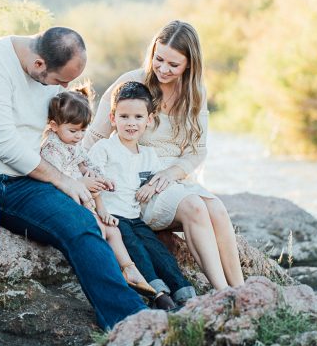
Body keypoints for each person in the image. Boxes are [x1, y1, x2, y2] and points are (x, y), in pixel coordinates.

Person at [0, 27, 147, 346]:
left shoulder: (49, 73)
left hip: (19, 183)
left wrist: (84, 175)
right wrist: (62, 180)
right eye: (60, 82)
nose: (64, 90)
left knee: (78, 221)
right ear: (39, 63)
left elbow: (68, 130)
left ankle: (129, 321)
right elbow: (2, 143)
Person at [84, 21, 245, 291]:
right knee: (195, 206)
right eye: (158, 59)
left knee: (216, 207)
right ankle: (222, 292)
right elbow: (95, 137)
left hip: (174, 180)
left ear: (189, 65)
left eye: (173, 64)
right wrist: (75, 177)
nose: (163, 69)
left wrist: (171, 173)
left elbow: (197, 150)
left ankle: (240, 288)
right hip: (138, 186)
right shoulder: (131, 83)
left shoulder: (195, 93)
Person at [39, 86, 170, 306]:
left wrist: (99, 179)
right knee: (100, 231)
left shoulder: (74, 144)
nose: (79, 137)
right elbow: (56, 181)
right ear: (53, 126)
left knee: (114, 231)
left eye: (83, 131)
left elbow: (87, 165)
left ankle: (130, 270)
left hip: (86, 198)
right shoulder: (51, 149)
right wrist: (84, 181)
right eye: (74, 131)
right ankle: (113, 274)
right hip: (65, 199)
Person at [87, 81, 196, 309]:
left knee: (158, 251)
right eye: (124, 116)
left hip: (136, 217)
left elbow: (159, 180)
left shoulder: (148, 155)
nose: (131, 123)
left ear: (149, 119)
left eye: (138, 117)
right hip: (113, 217)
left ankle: (184, 291)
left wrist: (150, 187)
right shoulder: (104, 149)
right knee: (137, 251)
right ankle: (158, 294)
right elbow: (91, 180)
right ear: (113, 117)